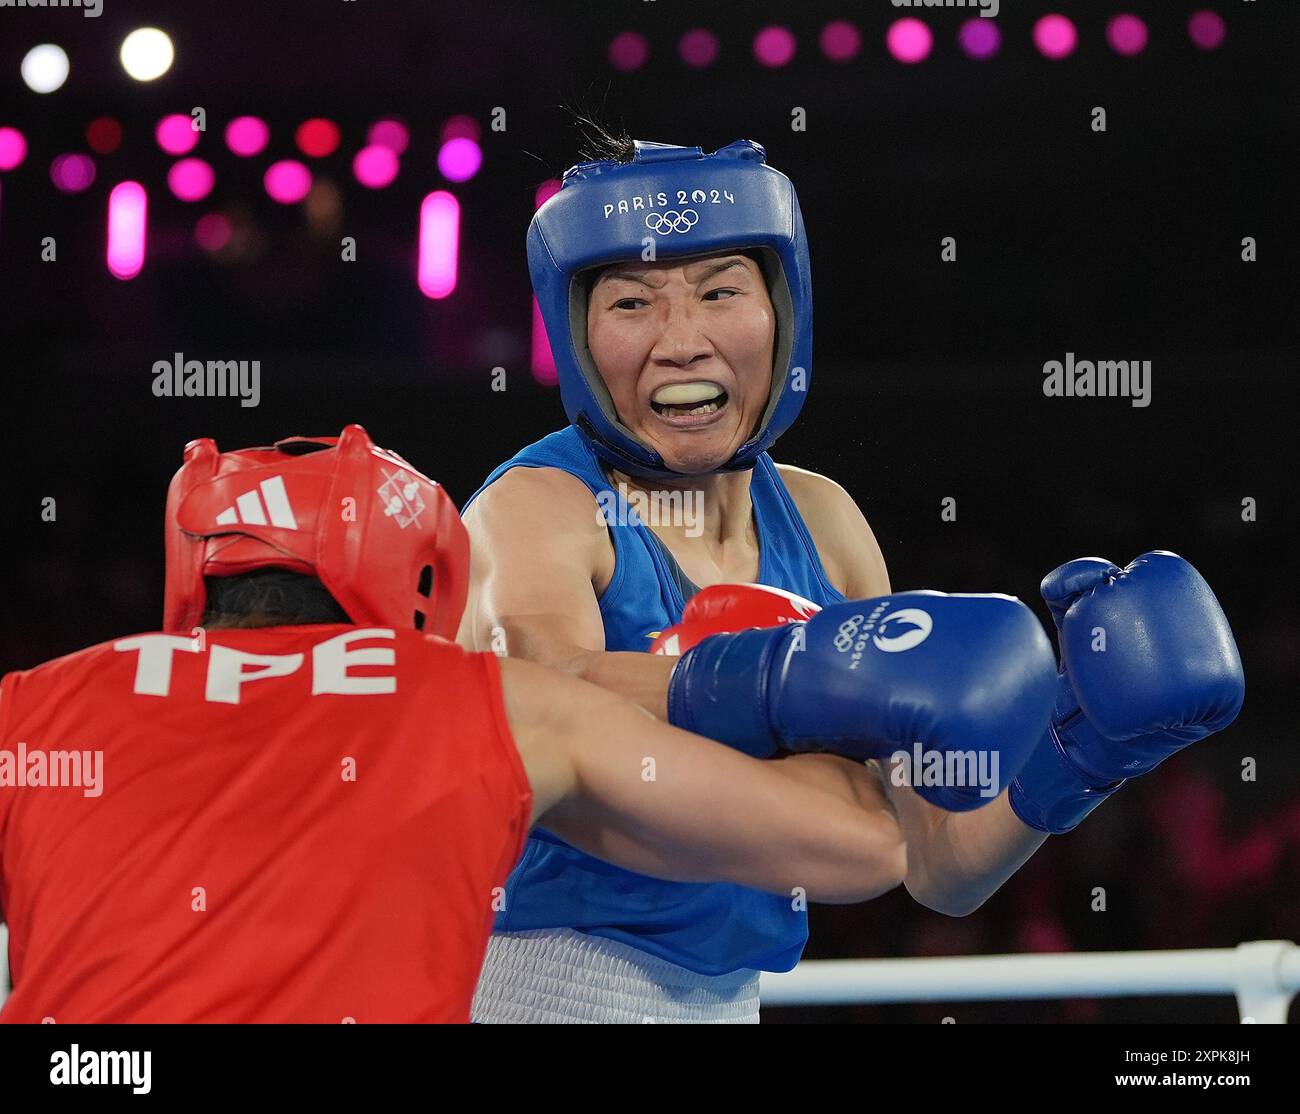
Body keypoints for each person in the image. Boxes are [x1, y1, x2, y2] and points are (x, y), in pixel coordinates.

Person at [460, 134, 1246, 1022]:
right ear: (576, 338)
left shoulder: (822, 521)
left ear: (780, 313)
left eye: (720, 291)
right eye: (632, 303)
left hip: (724, 1004)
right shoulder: (536, 506)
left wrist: (1082, 750)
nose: (681, 340)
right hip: (526, 986)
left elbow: (937, 861)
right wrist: (784, 677)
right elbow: (526, 695)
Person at [0, 424, 1057, 1022]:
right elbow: (869, 845)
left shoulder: (31, 709)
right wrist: (772, 682)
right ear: (421, 578)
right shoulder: (491, 699)